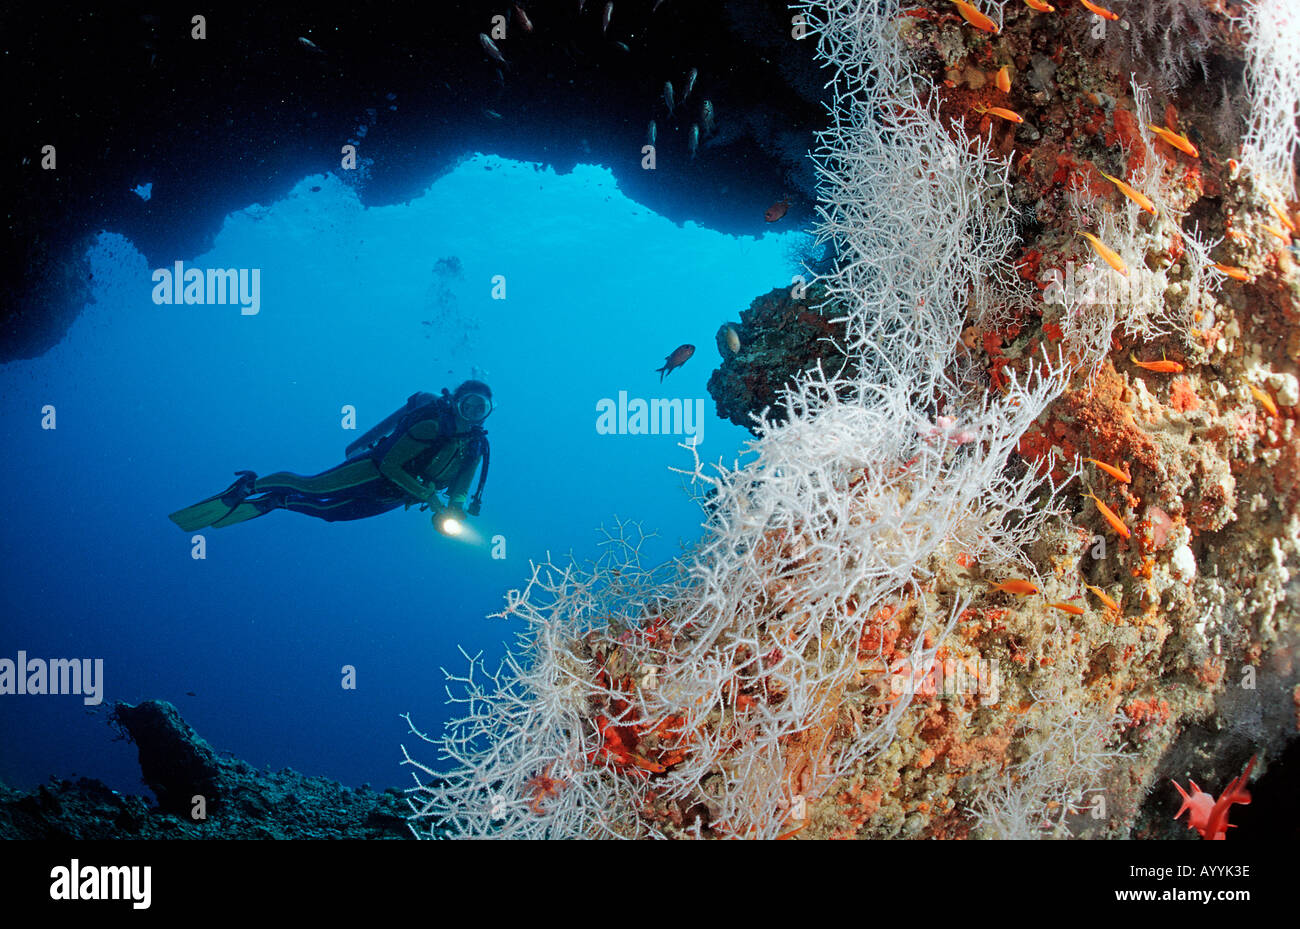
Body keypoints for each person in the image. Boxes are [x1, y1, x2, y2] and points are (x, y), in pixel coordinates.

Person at [168, 381, 492, 536]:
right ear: (457, 402)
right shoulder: (431, 424)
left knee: (330, 514)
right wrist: (428, 497)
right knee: (312, 487)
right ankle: (250, 485)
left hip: (398, 495)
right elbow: (391, 464)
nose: (473, 414)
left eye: (481, 409)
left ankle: (277, 502)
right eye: (469, 405)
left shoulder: (476, 446)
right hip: (373, 471)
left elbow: (461, 486)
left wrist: (456, 508)